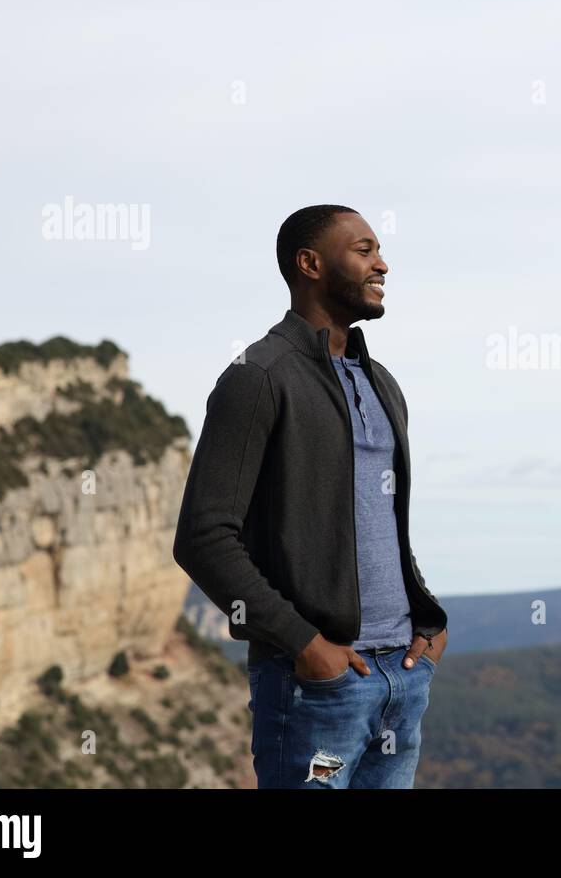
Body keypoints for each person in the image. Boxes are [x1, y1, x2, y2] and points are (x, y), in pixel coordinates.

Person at [173, 204, 448, 788]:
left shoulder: (383, 385)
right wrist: (305, 645)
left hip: (403, 672)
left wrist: (426, 617)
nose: (383, 265)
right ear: (310, 263)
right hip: (318, 685)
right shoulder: (260, 375)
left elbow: (379, 519)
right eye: (365, 250)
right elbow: (202, 537)